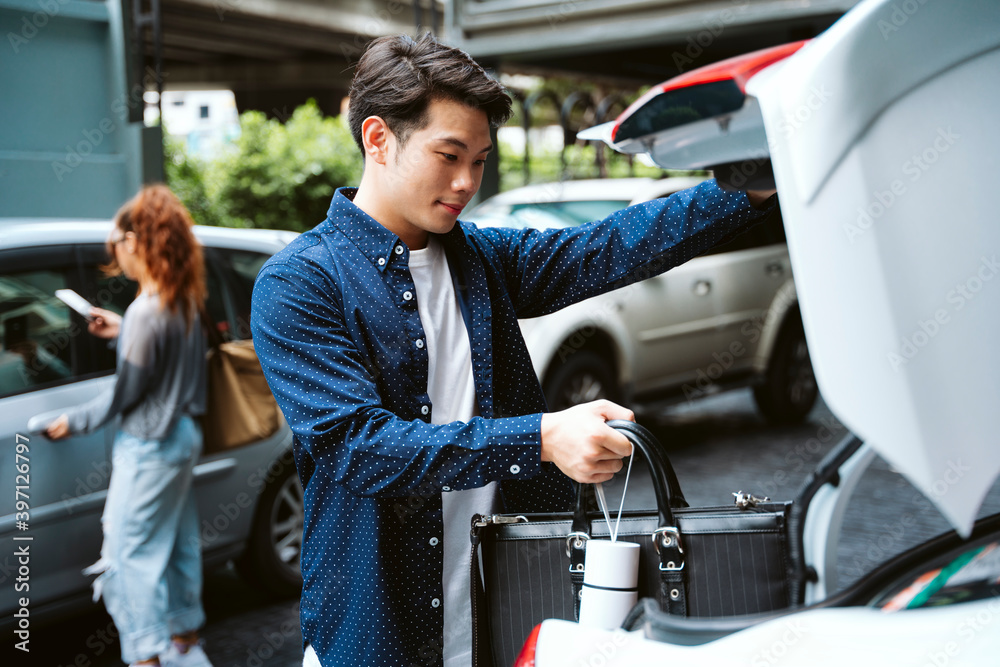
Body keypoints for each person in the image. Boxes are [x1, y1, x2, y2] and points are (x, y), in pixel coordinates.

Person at [250, 33, 777, 667]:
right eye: (449, 155)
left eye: (478, 159)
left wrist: (746, 188)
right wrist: (542, 438)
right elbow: (359, 448)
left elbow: (603, 248)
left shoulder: (476, 259)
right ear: (378, 139)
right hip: (375, 635)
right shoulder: (301, 282)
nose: (467, 180)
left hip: (508, 613)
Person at [30, 186, 213, 667]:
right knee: (175, 540)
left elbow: (127, 391)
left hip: (150, 443)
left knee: (126, 556)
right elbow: (159, 366)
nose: (118, 258)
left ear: (137, 242)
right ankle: (185, 639)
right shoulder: (182, 300)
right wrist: (122, 331)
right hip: (183, 436)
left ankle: (146, 656)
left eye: (118, 247)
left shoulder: (147, 312)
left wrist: (76, 419)